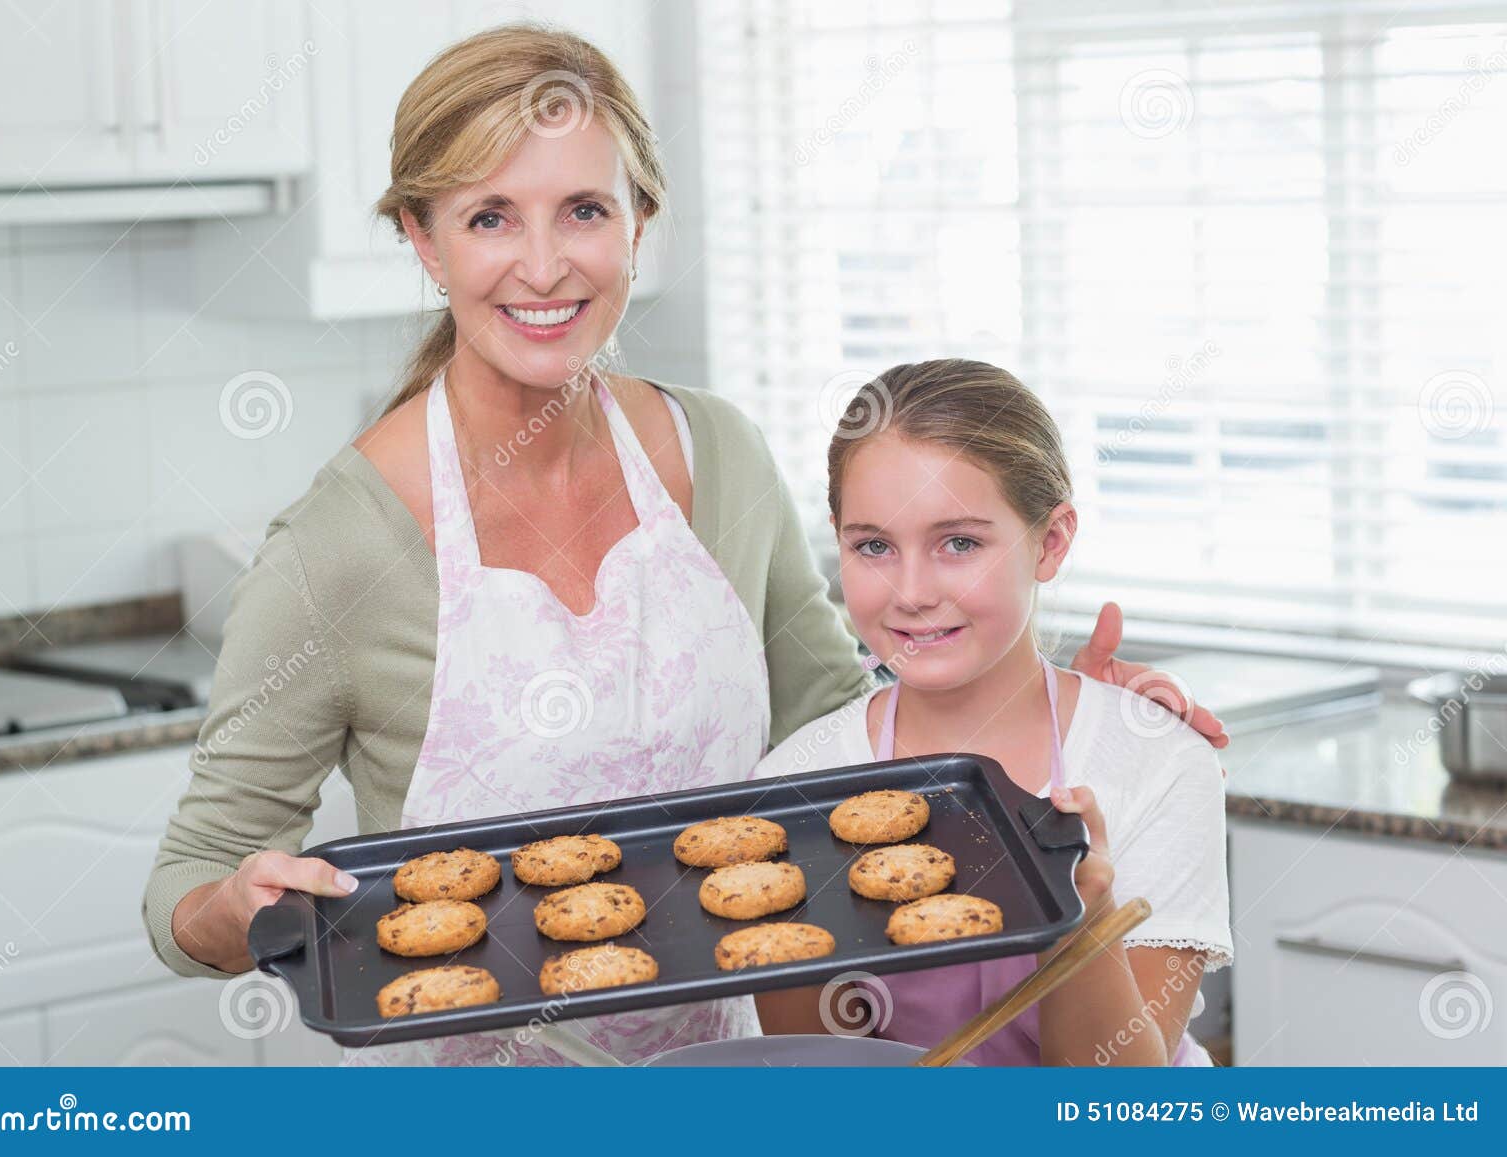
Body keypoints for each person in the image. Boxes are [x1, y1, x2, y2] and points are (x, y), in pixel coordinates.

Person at [141, 25, 1225, 1067]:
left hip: (747, 1084)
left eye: (581, 209)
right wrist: (237, 913)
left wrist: (1068, 726)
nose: (543, 264)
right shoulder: (338, 546)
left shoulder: (720, 458)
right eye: (487, 219)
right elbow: (188, 881)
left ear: (637, 224)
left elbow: (838, 749)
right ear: (421, 239)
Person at [752, 359, 1232, 1065]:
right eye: (874, 545)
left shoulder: (1159, 763)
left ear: (1052, 540)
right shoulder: (795, 786)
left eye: (960, 543)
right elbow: (823, 1085)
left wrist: (1080, 913)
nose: (911, 591)